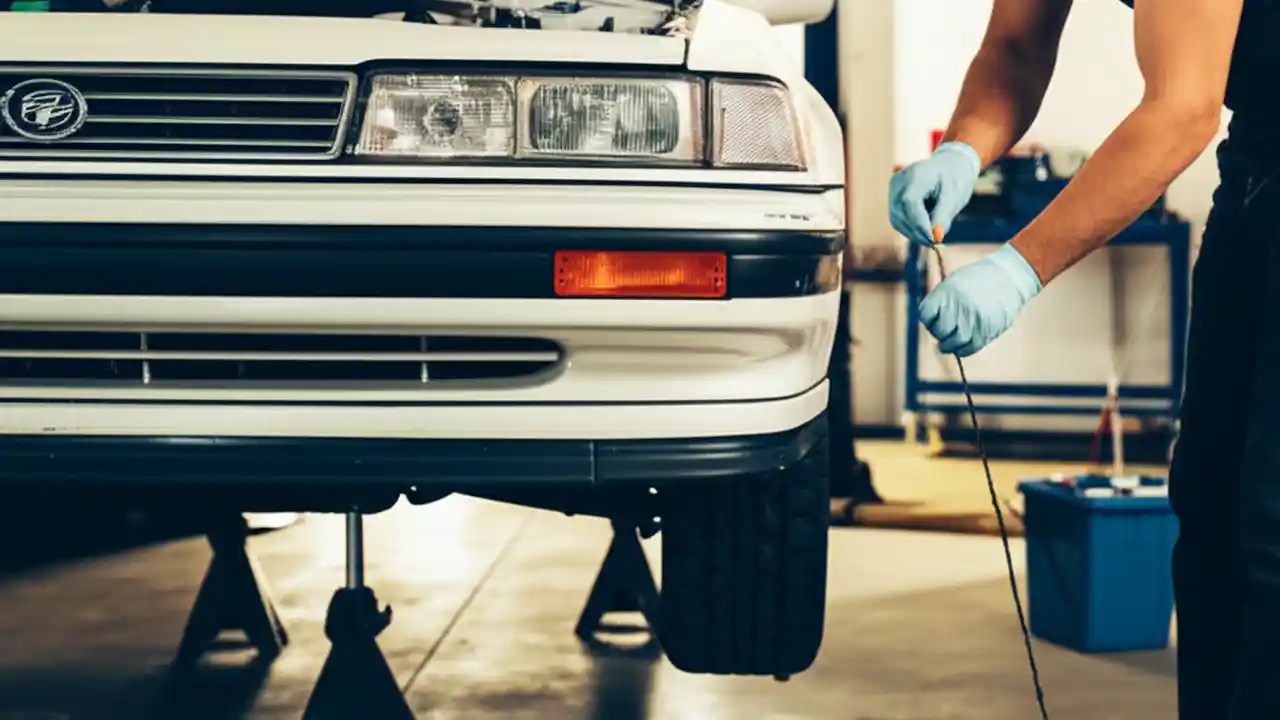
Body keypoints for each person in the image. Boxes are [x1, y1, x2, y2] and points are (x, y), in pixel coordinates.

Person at [886, 1, 1276, 717]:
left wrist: (1018, 269)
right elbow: (1015, 45)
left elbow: (1183, 110)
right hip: (1260, 160)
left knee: (1272, 518)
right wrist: (964, 149)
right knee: (1211, 504)